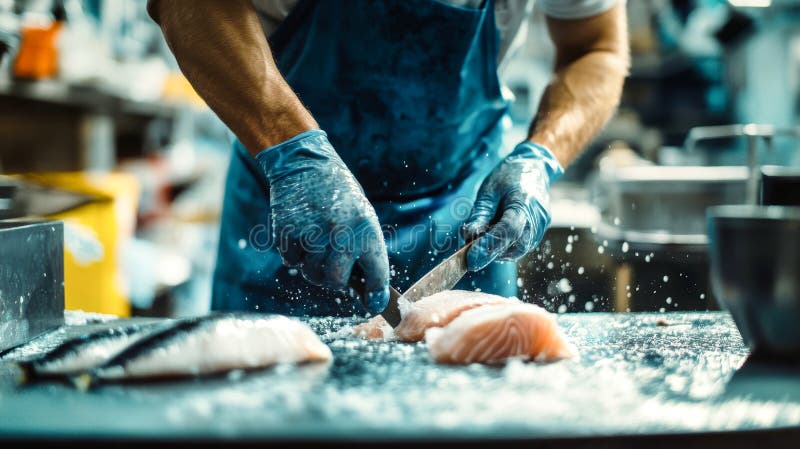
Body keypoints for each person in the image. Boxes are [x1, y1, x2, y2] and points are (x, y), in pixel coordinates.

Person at [148, 0, 629, 316]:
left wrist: (541, 156)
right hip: (287, 209)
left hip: (463, 221)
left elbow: (597, 46)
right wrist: (292, 149)